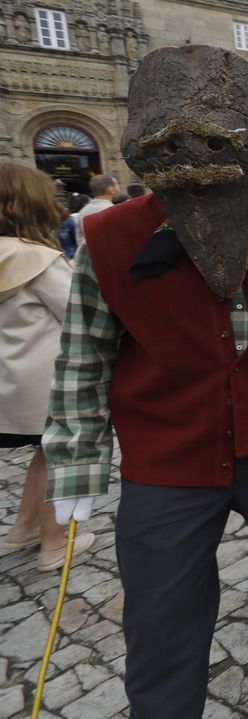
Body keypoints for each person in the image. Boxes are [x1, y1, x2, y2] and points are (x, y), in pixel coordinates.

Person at [42, 46, 248, 717]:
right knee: (162, 606)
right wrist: (75, 463)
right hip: (169, 453)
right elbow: (84, 358)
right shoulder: (109, 239)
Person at [0, 163, 97, 571]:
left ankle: (23, 528)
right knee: (61, 456)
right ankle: (54, 546)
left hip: (9, 385)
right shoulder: (37, 259)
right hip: (46, 385)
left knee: (44, 456)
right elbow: (78, 313)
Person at [72, 173, 118, 247]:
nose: (118, 188)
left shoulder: (82, 212)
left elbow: (80, 242)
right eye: (116, 185)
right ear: (111, 190)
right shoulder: (115, 211)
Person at [58, 193, 89, 258]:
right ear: (85, 204)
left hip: (66, 255)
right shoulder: (79, 218)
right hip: (77, 256)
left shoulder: (67, 220)